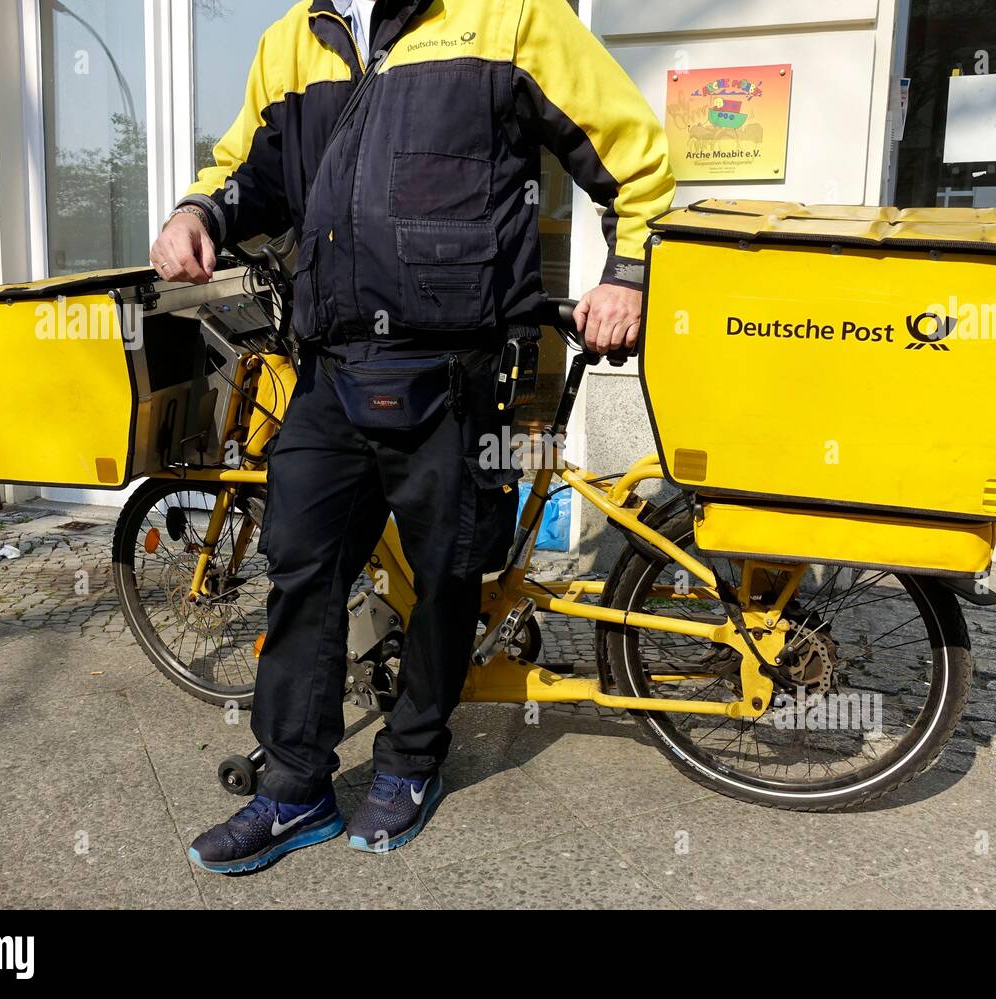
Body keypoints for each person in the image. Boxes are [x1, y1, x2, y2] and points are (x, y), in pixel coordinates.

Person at [149, 0, 674, 874]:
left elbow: (629, 150)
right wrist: (199, 211)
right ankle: (292, 787)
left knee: (446, 573)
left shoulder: (509, 19)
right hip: (328, 365)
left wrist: (628, 270)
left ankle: (411, 761)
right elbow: (249, 169)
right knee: (301, 566)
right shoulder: (293, 39)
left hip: (457, 367)